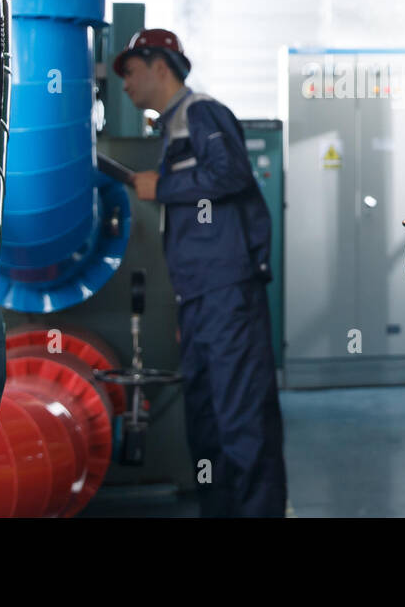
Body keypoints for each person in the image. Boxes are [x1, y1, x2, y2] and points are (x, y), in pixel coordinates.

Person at [115, 27, 287, 517]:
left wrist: (162, 184)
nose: (124, 83)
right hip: (199, 299)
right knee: (207, 422)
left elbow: (230, 173)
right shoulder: (171, 128)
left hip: (228, 293)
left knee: (243, 421)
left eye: (129, 70)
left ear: (159, 66)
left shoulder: (201, 112)